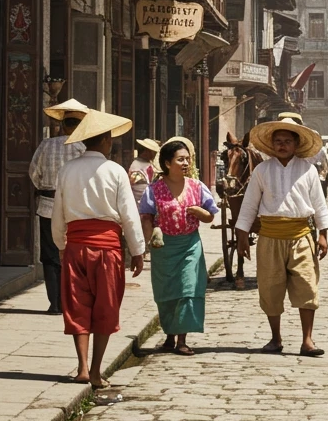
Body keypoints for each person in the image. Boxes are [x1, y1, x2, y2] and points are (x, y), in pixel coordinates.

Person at [51, 111, 145, 388]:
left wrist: (61, 245)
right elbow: (129, 215)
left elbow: (59, 213)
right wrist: (137, 251)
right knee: (105, 307)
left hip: (76, 247)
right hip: (107, 249)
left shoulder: (67, 170)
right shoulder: (115, 171)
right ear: (105, 141)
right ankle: (95, 371)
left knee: (77, 306)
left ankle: (80, 367)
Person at [235, 121, 328, 357]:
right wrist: (242, 236)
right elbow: (249, 206)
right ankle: (275, 338)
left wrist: (323, 234)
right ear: (271, 144)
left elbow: (319, 204)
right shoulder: (262, 171)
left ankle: (307, 340)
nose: (282, 145)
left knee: (307, 286)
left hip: (301, 236)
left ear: (296, 144)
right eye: (278, 141)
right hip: (269, 237)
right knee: (270, 288)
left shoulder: (308, 170)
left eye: (287, 141)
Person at [139, 138, 218, 356]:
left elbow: (211, 215)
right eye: (180, 159)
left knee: (189, 289)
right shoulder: (153, 190)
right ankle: (169, 337)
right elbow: (146, 217)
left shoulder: (197, 186)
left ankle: (182, 339)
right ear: (166, 163)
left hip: (190, 244)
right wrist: (147, 242)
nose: (185, 163)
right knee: (167, 293)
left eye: (187, 159)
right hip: (164, 247)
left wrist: (201, 213)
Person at [29, 99, 89, 315]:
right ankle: (70, 302)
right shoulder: (83, 148)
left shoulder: (46, 145)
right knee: (73, 254)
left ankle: (54, 304)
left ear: (63, 125)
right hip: (75, 208)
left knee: (50, 255)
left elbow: (34, 173)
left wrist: (46, 187)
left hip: (48, 205)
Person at [129, 138, 159, 204]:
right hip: (140, 204)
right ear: (146, 151)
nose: (154, 154)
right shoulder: (136, 166)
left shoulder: (150, 164)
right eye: (153, 152)